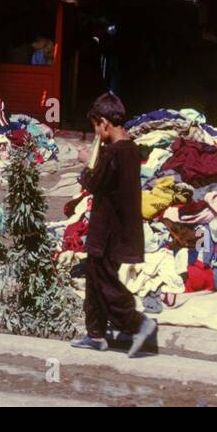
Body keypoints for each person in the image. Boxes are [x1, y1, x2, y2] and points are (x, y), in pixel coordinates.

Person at [71, 92, 157, 356]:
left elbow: (94, 183)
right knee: (95, 281)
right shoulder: (129, 150)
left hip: (108, 232)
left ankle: (138, 323)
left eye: (96, 127)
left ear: (104, 123)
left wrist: (87, 163)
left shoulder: (114, 153)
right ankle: (95, 334)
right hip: (114, 229)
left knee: (105, 283)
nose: (96, 133)